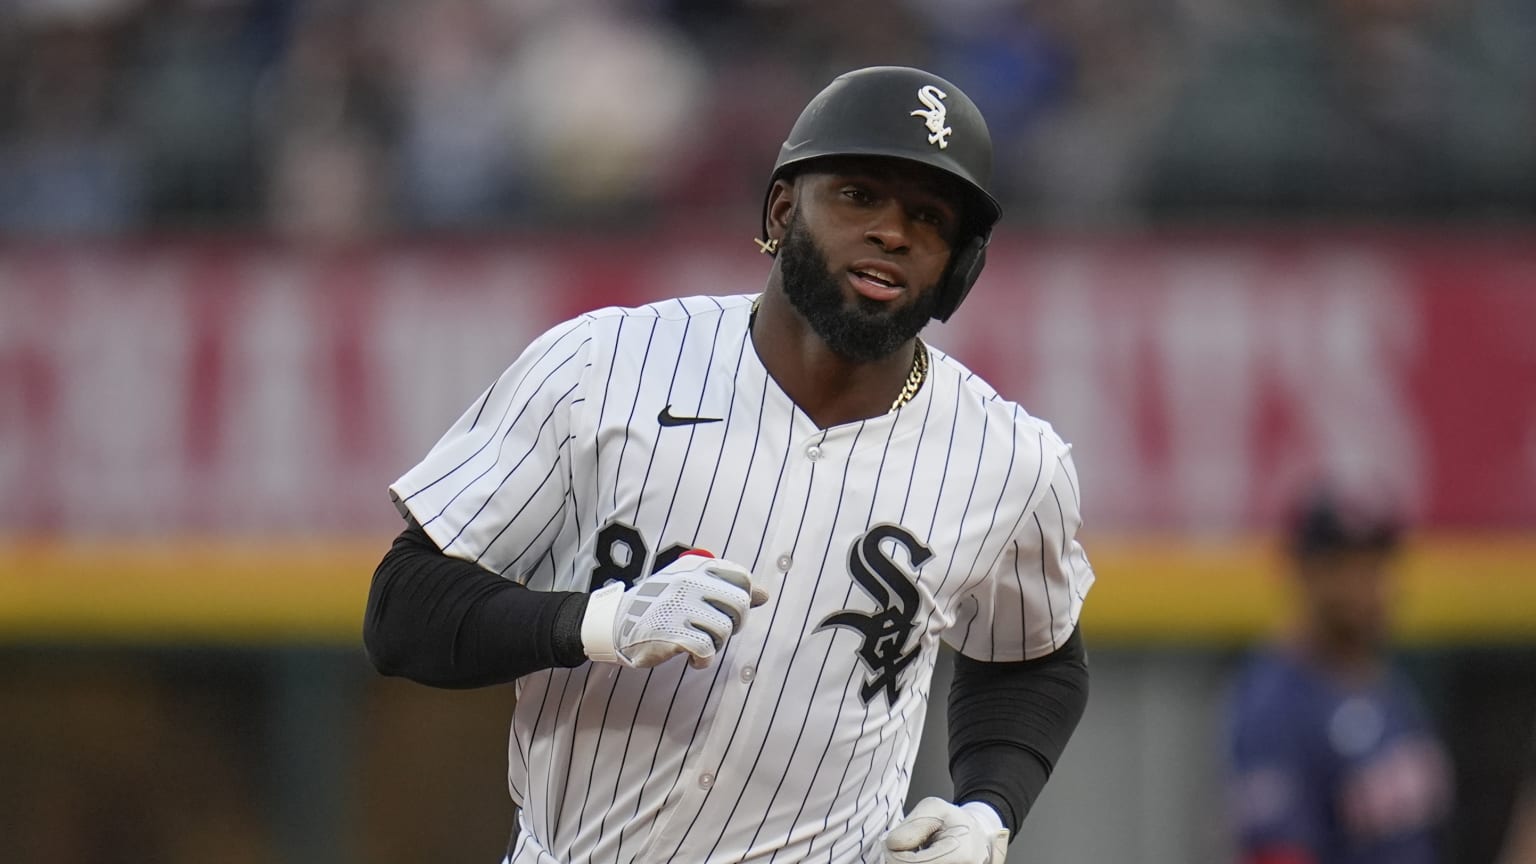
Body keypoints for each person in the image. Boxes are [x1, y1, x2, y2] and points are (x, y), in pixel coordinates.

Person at [364, 65, 1094, 864]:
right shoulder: (602, 365)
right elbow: (403, 611)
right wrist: (601, 621)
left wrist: (987, 811)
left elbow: (1036, 663)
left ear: (960, 265)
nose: (893, 232)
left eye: (930, 217)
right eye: (859, 196)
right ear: (783, 210)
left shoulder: (1011, 460)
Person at [1227, 488, 1452, 864]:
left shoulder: (1390, 685)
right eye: (1342, 565)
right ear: (1302, 573)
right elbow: (1276, 853)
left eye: (1374, 564)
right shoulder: (1273, 704)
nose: (1364, 585)